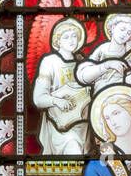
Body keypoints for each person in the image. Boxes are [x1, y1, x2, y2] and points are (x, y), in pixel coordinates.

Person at [31, 19, 93, 155]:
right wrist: (57, 101)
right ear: (58, 41)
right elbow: (38, 98)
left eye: (74, 36)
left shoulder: (83, 62)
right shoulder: (50, 62)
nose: (71, 40)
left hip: (84, 123)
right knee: (73, 149)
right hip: (60, 127)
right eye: (66, 37)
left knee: (83, 159)